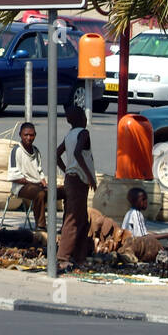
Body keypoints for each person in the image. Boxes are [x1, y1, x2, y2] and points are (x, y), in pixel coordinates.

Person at [55, 105, 96, 272]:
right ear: (81, 119)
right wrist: (89, 176)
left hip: (70, 179)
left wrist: (67, 170)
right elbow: (79, 153)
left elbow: (56, 154)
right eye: (85, 118)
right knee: (72, 219)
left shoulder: (69, 135)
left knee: (81, 220)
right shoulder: (83, 133)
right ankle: (63, 257)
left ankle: (79, 256)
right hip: (79, 181)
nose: (87, 121)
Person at [5, 122, 59, 229]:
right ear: (20, 134)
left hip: (36, 185)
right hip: (21, 187)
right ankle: (41, 226)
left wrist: (44, 182)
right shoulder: (16, 151)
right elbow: (15, 177)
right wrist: (35, 183)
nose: (29, 138)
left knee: (62, 191)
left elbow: (40, 172)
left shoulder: (36, 151)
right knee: (40, 194)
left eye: (31, 135)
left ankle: (67, 227)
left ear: (35, 135)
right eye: (26, 135)